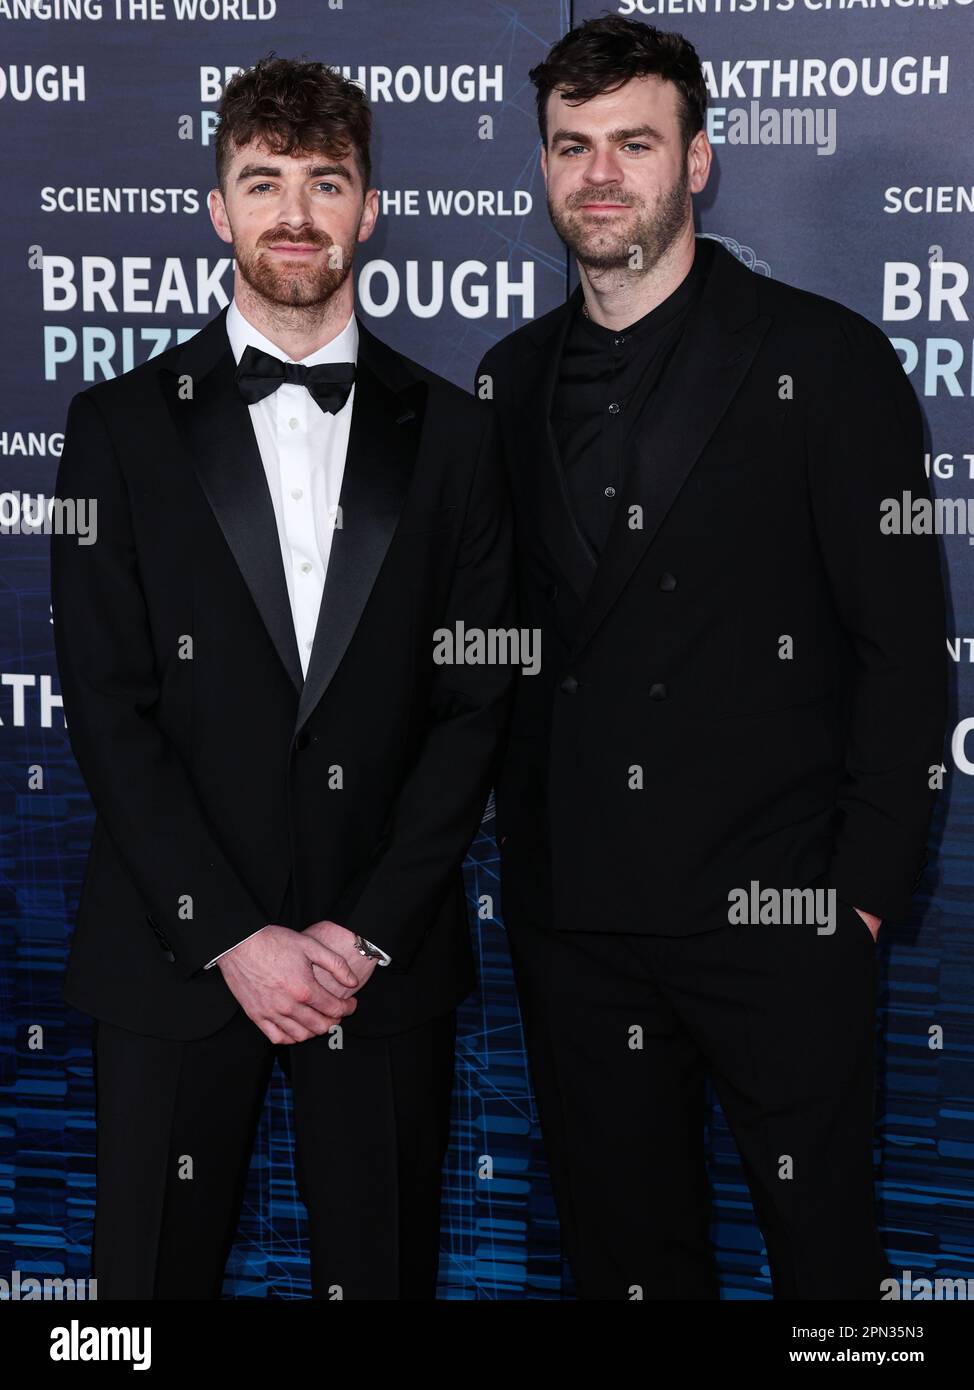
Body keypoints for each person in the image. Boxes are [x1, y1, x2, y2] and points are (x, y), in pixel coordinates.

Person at [476, 16, 948, 1300]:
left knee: (828, 1269)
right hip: (580, 924)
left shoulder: (824, 360)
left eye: (633, 141)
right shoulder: (504, 382)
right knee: (625, 1263)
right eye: (571, 146)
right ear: (540, 168)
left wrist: (856, 898)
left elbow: (904, 653)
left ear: (697, 163)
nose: (598, 175)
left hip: (779, 915)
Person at [52, 54, 514, 1300]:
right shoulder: (119, 427)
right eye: (263, 181)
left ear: (371, 209)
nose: (295, 213)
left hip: (381, 958)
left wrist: (359, 934)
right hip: (171, 957)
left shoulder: (458, 436)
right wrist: (232, 937)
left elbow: (477, 706)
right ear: (217, 207)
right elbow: (107, 705)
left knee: (383, 1277)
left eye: (326, 181)